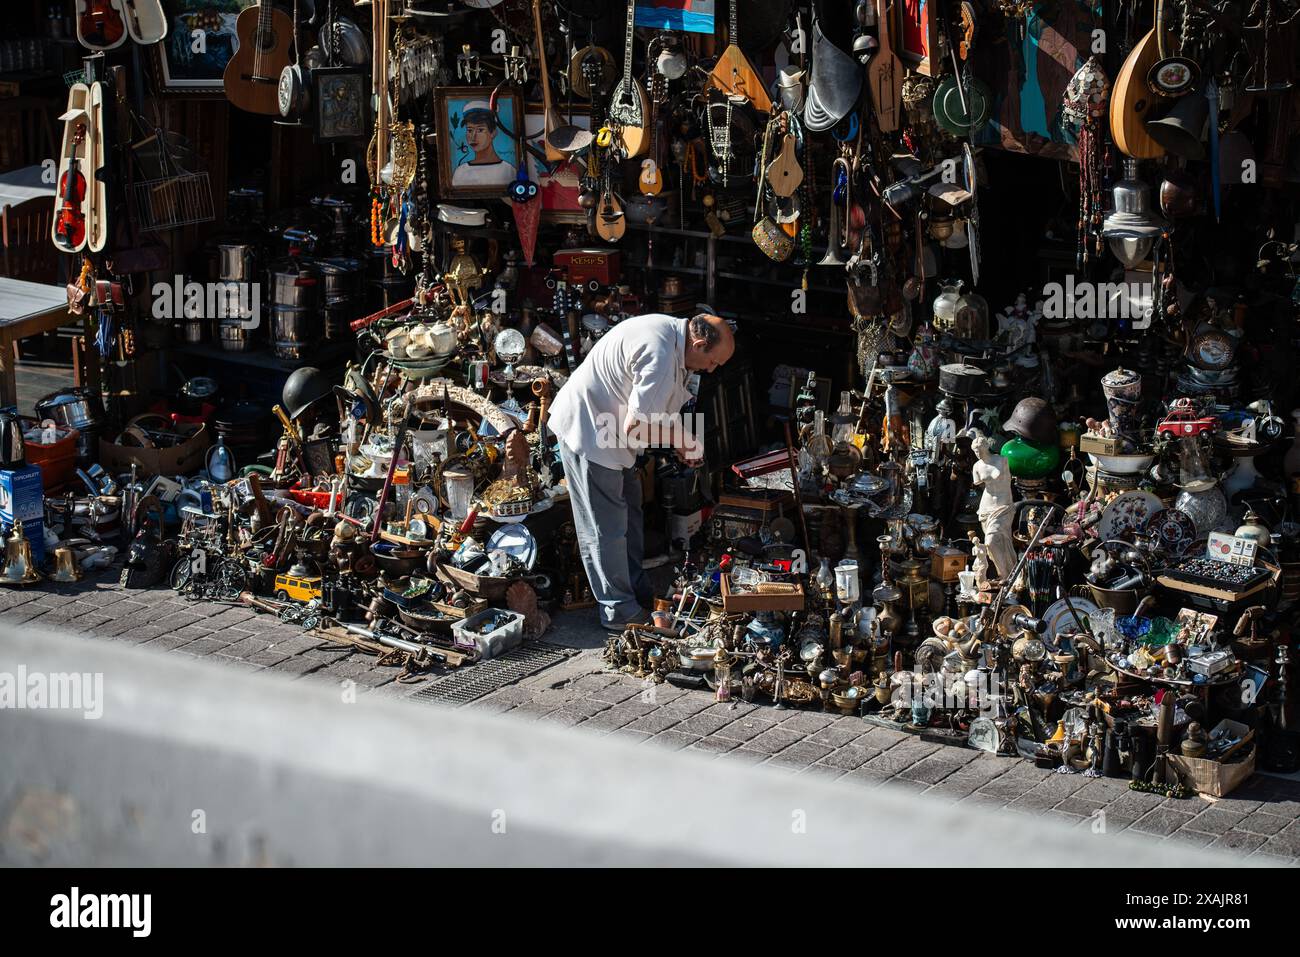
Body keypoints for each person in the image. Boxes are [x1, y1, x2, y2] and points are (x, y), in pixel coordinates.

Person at [547, 313, 736, 632]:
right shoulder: (661, 352)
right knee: (604, 526)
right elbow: (636, 424)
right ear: (700, 343)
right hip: (591, 432)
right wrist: (681, 438)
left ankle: (635, 592)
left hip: (611, 435)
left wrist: (677, 441)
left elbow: (652, 411)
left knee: (630, 513)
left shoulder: (672, 338)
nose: (711, 369)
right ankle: (618, 609)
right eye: (713, 361)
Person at [451, 102, 513, 188]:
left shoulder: (508, 170)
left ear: (493, 133)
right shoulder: (461, 172)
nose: (473, 136)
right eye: (469, 130)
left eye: (480, 130)